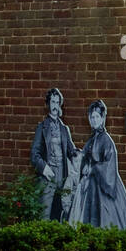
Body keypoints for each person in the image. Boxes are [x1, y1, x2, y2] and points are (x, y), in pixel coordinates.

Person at [66, 99, 126, 231]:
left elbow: (109, 166)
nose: (94, 120)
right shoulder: (92, 138)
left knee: (105, 220)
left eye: (97, 117)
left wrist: (93, 168)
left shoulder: (106, 140)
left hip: (104, 188)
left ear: (103, 118)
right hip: (90, 186)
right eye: (92, 117)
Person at [30, 88, 77, 221]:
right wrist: (45, 169)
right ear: (48, 104)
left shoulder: (64, 129)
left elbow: (72, 151)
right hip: (48, 177)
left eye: (57, 102)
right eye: (52, 102)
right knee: (44, 215)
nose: (55, 106)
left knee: (59, 215)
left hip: (62, 176)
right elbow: (34, 154)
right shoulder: (42, 127)